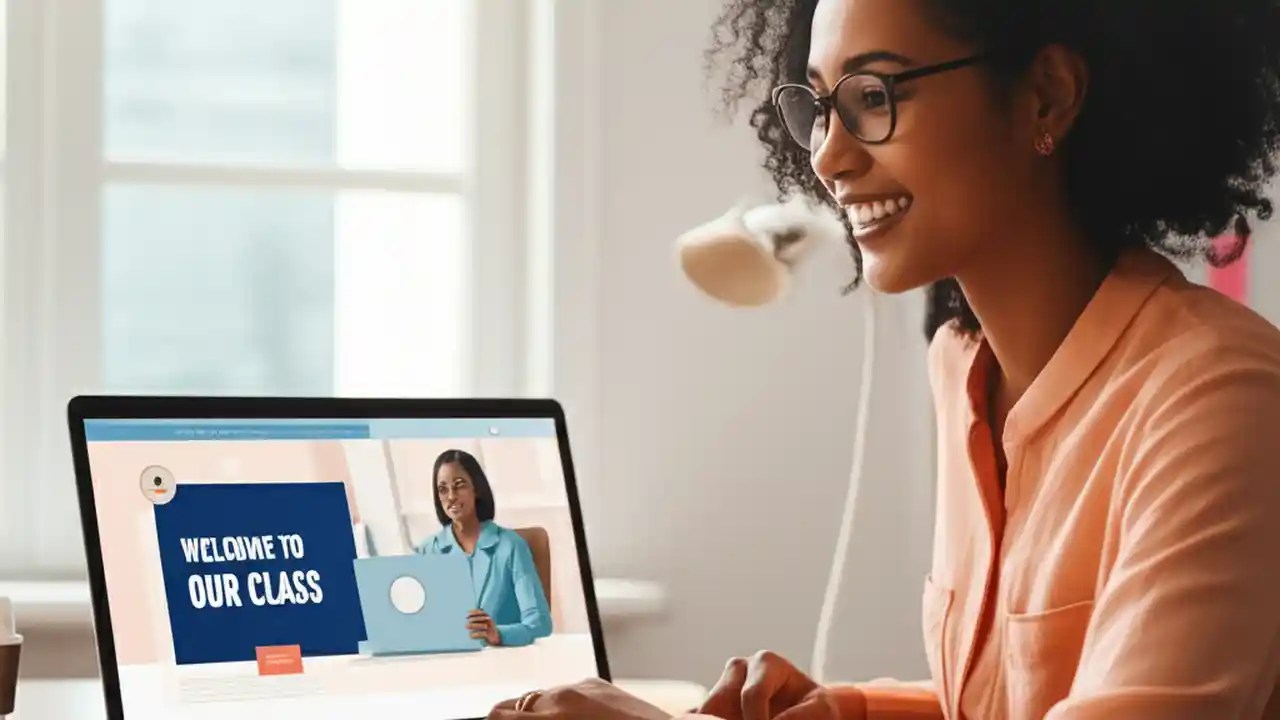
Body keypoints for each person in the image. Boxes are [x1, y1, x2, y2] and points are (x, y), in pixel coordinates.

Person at [488, 0, 1280, 718]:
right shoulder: (961, 367)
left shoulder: (1220, 399)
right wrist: (848, 709)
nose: (828, 158)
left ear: (1047, 96)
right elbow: (1009, 701)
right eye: (820, 106)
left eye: (873, 96)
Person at [419, 449, 552, 648]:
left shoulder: (511, 546)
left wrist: (498, 634)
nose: (451, 496)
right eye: (443, 490)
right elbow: (423, 622)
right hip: (448, 658)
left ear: (477, 489)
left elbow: (540, 624)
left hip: (504, 659)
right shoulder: (428, 550)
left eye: (459, 485)